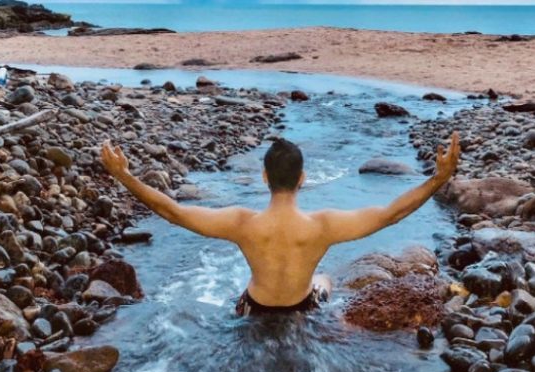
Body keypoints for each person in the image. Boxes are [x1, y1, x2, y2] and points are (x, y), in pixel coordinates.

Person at [99, 132, 460, 315]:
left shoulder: (241, 223)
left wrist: (125, 177)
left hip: (253, 310)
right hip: (302, 310)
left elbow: (173, 212)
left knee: (246, 292)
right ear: (303, 179)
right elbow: (390, 214)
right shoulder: (323, 226)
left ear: (263, 177)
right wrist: (437, 179)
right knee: (325, 279)